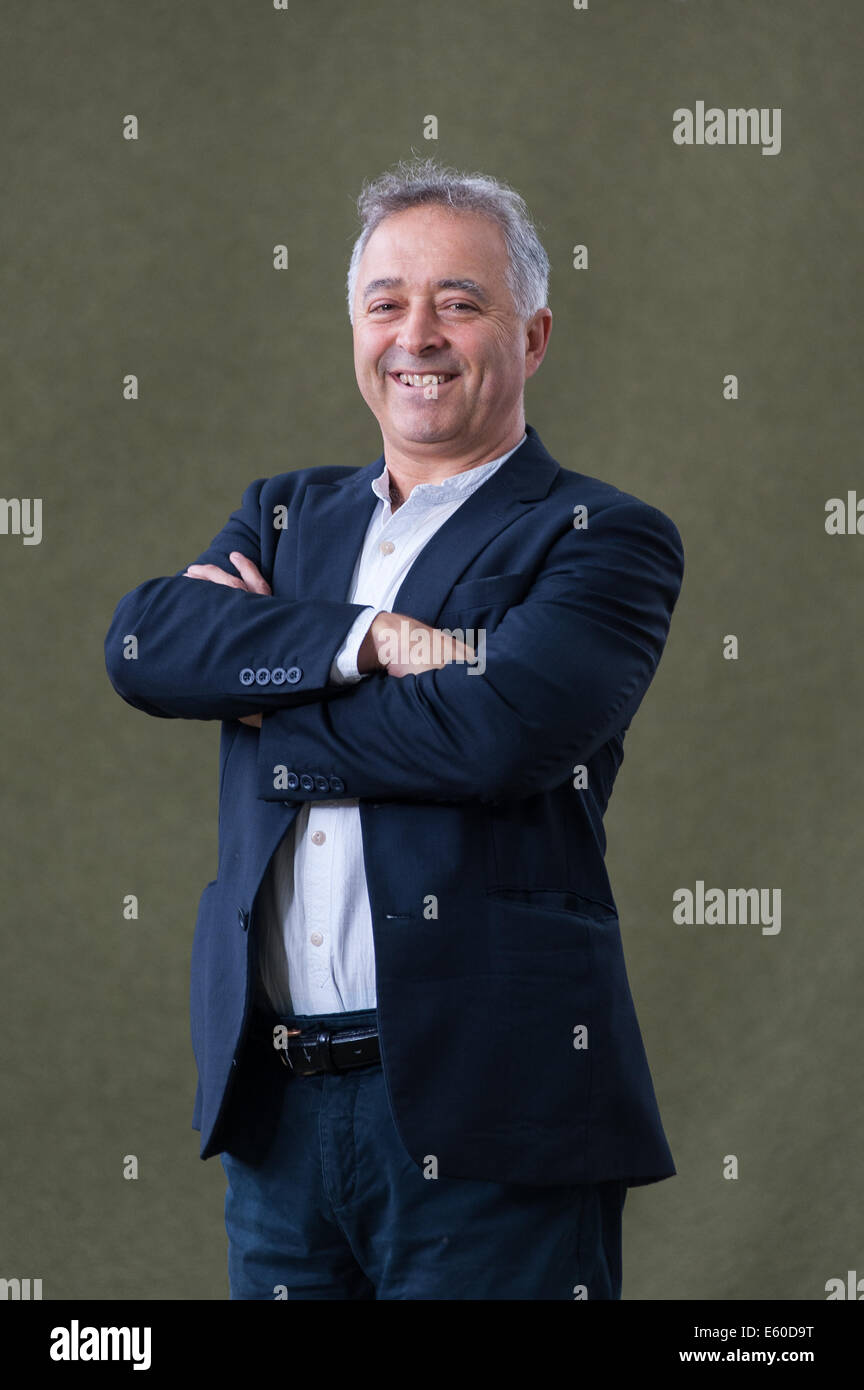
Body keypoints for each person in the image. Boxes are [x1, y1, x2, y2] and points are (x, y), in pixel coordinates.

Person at [104, 156, 685, 1300]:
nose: (416, 334)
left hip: (492, 1112)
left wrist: (268, 689)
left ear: (533, 338)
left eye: (459, 303)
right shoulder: (285, 511)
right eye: (387, 303)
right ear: (356, 329)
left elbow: (500, 735)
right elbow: (142, 645)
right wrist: (368, 642)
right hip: (277, 1114)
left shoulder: (600, 536)